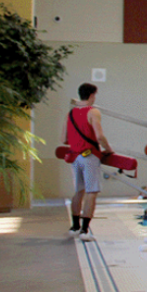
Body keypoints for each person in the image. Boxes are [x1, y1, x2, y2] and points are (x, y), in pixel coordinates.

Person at [62, 83, 113, 241]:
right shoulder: (93, 112)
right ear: (92, 95)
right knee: (91, 192)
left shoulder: (70, 113)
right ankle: (85, 231)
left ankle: (75, 227)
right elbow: (99, 136)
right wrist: (109, 149)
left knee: (79, 191)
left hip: (75, 156)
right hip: (89, 156)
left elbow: (64, 139)